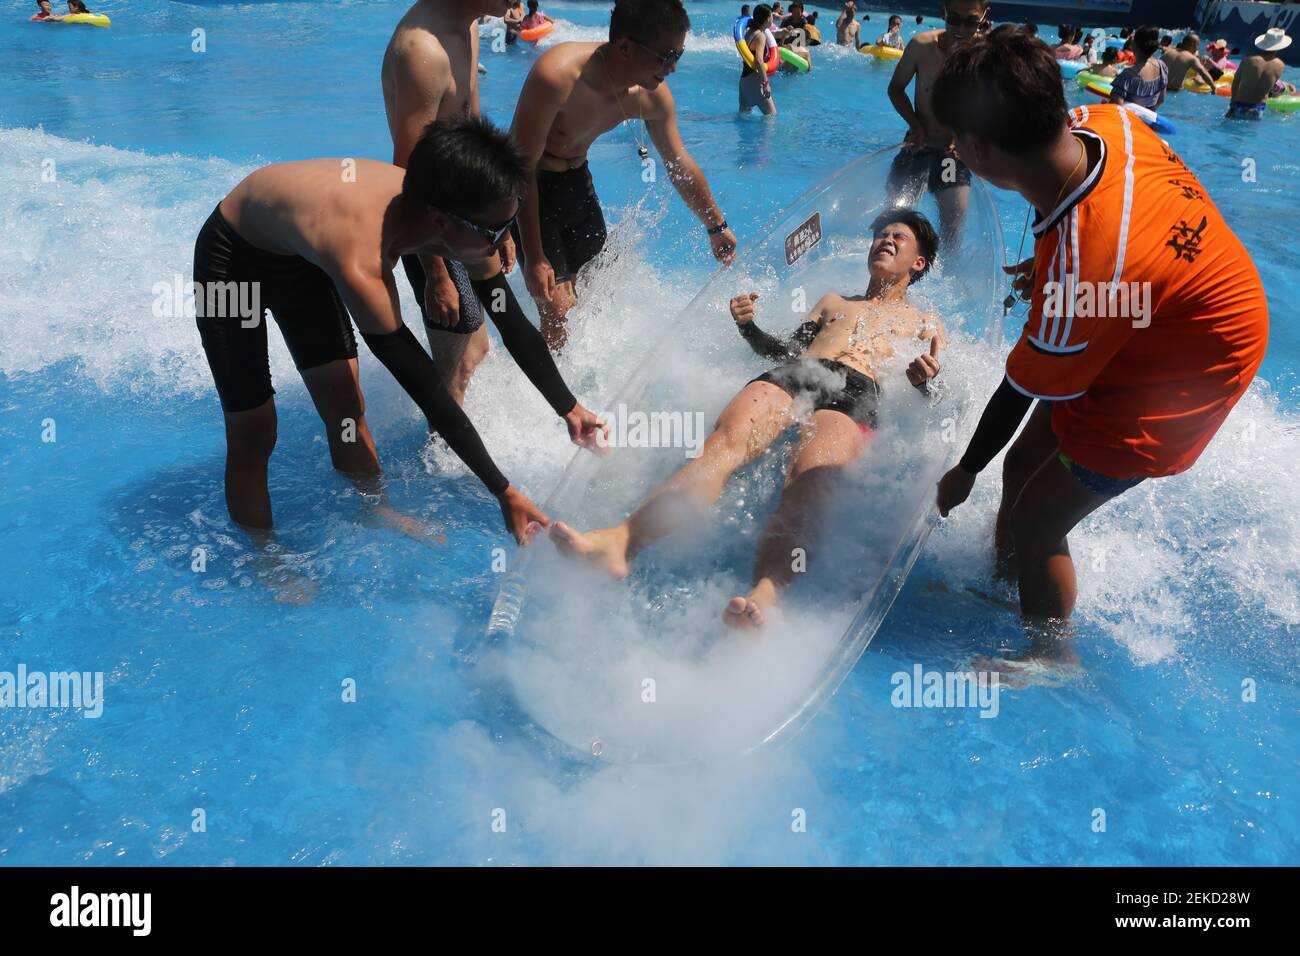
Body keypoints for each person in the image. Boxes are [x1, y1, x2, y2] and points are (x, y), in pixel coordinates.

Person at [929, 28, 1268, 676]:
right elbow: (1117, 231)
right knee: (1025, 460)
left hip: (1197, 364)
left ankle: (1051, 655)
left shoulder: (1086, 277)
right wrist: (1058, 266)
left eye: (956, 139)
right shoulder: (1102, 120)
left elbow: (1019, 388)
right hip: (1169, 307)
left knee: (1038, 518)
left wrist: (963, 469)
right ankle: (1008, 587)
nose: (952, 149)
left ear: (977, 148)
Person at [192, 119, 580, 546]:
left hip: (300, 254)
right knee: (254, 430)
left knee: (345, 405)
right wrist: (503, 492)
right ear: (441, 222)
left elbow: (513, 325)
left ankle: (371, 508)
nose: (504, 242)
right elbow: (428, 389)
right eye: (497, 232)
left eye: (509, 227)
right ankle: (262, 555)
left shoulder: (466, 218)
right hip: (230, 263)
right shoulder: (360, 260)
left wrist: (571, 409)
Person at [550, 211, 946, 629]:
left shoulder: (925, 323)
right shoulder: (833, 302)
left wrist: (923, 383)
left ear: (918, 262)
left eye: (897, 237)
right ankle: (622, 542)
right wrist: (748, 328)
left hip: (858, 392)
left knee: (807, 484)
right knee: (723, 447)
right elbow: (788, 352)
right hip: (800, 373)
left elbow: (937, 398)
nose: (884, 239)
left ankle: (766, 595)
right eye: (881, 234)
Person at [381, 3, 605, 454]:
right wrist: (437, 275)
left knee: (497, 326)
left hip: (469, 224)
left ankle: (467, 447)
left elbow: (473, 132)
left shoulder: (466, 26)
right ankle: (439, 464)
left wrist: (499, 228)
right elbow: (409, 173)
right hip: (433, 230)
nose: (518, 3)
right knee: (465, 352)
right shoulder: (422, 52)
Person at [510, 0, 737, 349]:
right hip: (533, 191)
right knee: (557, 311)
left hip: (579, 189)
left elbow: (679, 164)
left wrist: (716, 226)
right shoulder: (556, 77)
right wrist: (534, 254)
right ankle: (554, 398)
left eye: (679, 54)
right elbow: (519, 167)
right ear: (625, 47)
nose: (673, 68)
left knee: (593, 298)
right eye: (665, 57)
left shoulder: (652, 97)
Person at [885, 0, 989, 242]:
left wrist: (965, 136)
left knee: (951, 230)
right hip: (918, 145)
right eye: (954, 18)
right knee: (892, 222)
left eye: (971, 21)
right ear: (943, 11)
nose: (961, 28)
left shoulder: (985, 57)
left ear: (984, 16)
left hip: (953, 155)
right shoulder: (921, 47)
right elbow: (896, 89)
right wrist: (915, 124)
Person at [1227, 28, 1293, 119]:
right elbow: (1271, 89)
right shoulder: (1280, 65)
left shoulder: (1248, 60)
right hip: (1257, 109)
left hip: (1238, 105)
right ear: (1280, 46)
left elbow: (1236, 82)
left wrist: (1232, 102)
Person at [1107, 25, 1167, 110]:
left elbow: (1115, 109)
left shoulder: (1127, 76)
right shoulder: (1162, 67)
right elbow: (1161, 100)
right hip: (1147, 121)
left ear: (1134, 44)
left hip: (1129, 121)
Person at [741, 3, 779, 109]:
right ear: (767, 19)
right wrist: (766, 83)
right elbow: (758, 60)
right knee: (771, 117)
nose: (773, 18)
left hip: (744, 81)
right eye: (771, 15)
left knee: (744, 116)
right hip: (754, 82)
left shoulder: (750, 32)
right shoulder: (761, 36)